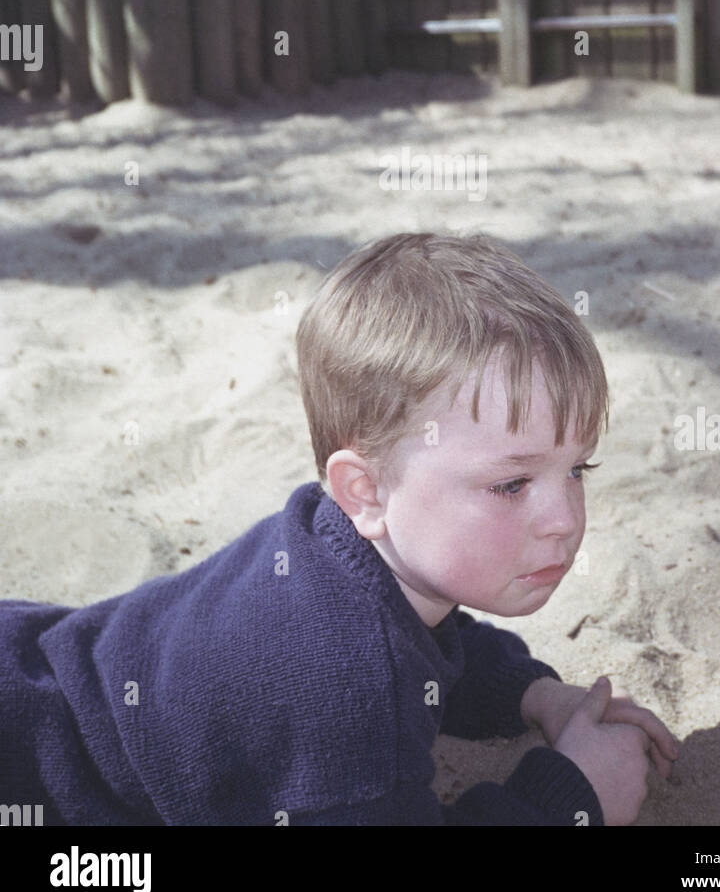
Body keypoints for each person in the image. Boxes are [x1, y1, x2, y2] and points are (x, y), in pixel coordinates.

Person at [0, 232, 678, 825]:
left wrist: (532, 694)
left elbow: (432, 645)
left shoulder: (334, 549)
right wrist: (574, 796)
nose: (564, 520)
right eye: (511, 484)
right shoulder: (343, 702)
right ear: (367, 490)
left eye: (577, 469)